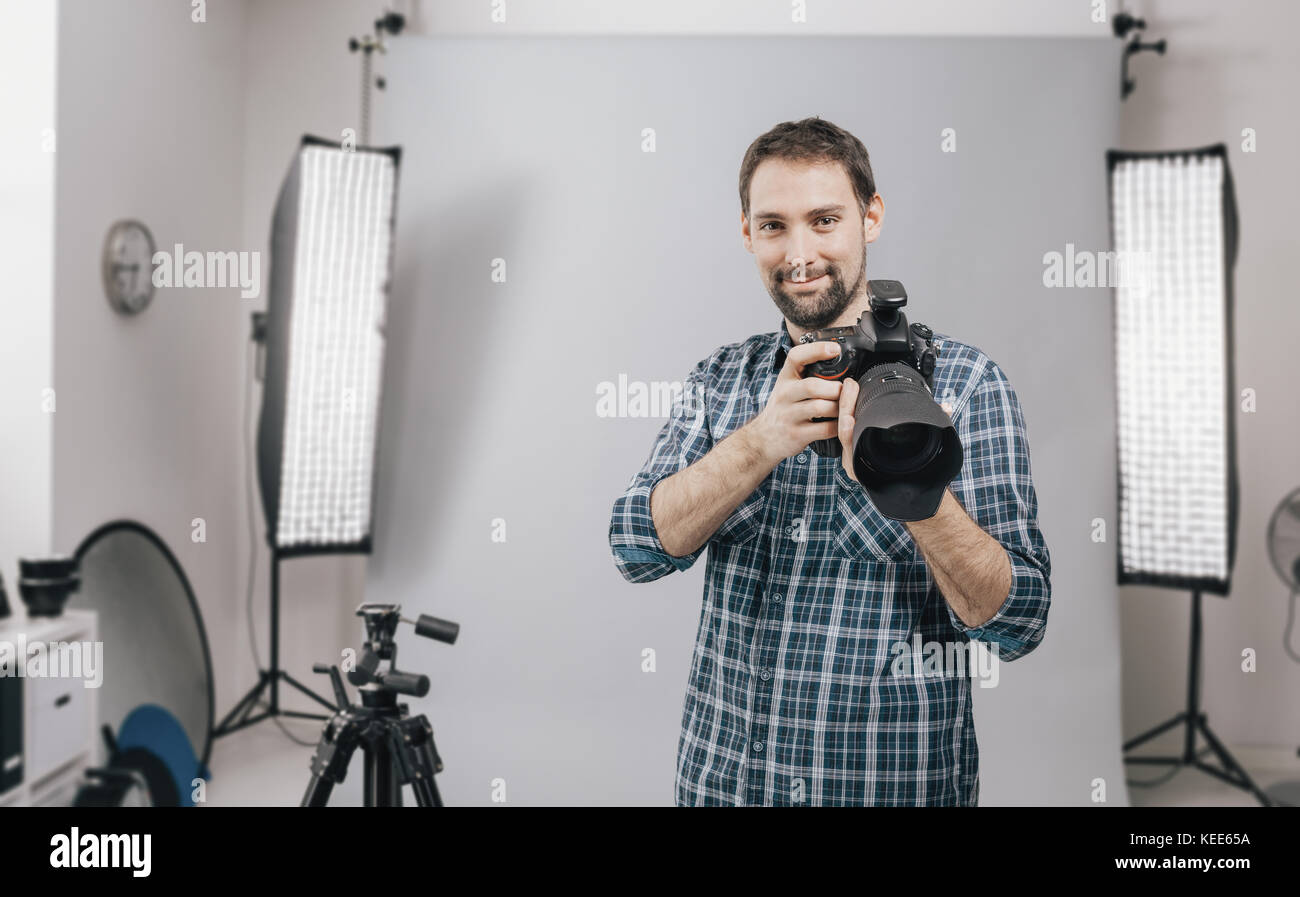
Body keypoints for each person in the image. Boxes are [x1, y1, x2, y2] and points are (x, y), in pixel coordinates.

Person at [607, 116, 1052, 806]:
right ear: (748, 233)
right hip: (724, 786)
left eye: (823, 219)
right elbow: (636, 545)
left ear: (870, 217)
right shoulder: (721, 380)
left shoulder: (966, 384)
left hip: (884, 787)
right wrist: (758, 442)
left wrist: (912, 484)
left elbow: (1017, 619)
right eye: (775, 224)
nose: (801, 251)